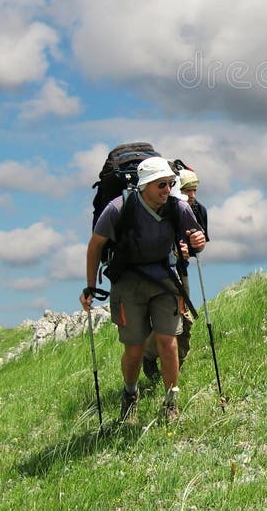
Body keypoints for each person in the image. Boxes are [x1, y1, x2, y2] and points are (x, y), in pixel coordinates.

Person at [80, 156, 207, 423]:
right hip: (128, 283)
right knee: (134, 349)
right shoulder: (118, 208)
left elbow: (197, 241)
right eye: (161, 184)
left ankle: (171, 403)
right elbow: (95, 246)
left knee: (168, 343)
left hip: (165, 280)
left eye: (170, 183)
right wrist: (91, 286)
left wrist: (198, 241)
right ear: (145, 185)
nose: (167, 189)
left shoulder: (178, 208)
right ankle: (130, 394)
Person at [142, 168, 209, 379]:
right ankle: (149, 355)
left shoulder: (197, 210)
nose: (192, 195)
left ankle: (174, 369)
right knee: (172, 323)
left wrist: (192, 248)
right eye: (188, 190)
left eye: (195, 190)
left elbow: (199, 246)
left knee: (183, 322)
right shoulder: (165, 208)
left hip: (181, 271)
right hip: (161, 273)